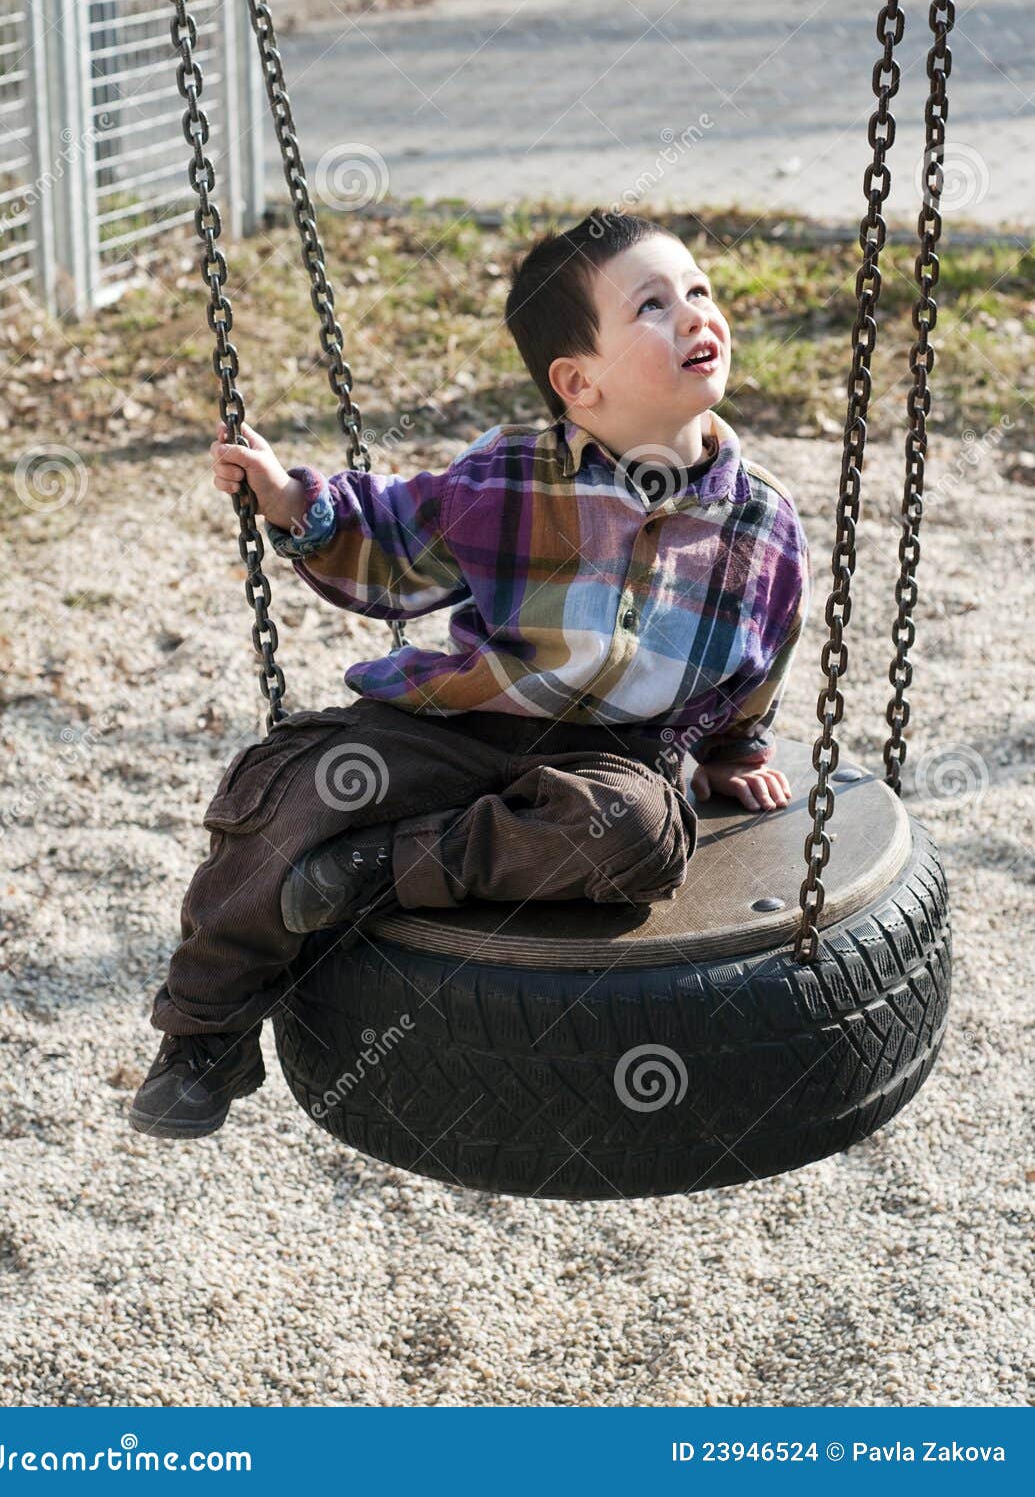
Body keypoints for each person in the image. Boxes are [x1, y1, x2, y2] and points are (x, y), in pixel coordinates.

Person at [130, 210, 811, 1139]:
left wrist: (735, 748)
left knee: (642, 838)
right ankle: (205, 1032)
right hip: (456, 722)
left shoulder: (761, 526)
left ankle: (379, 870)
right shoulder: (509, 478)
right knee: (287, 792)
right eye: (652, 306)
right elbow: (395, 542)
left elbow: (758, 655)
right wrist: (294, 503)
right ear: (578, 383)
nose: (695, 316)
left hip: (612, 760)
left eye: (697, 291)